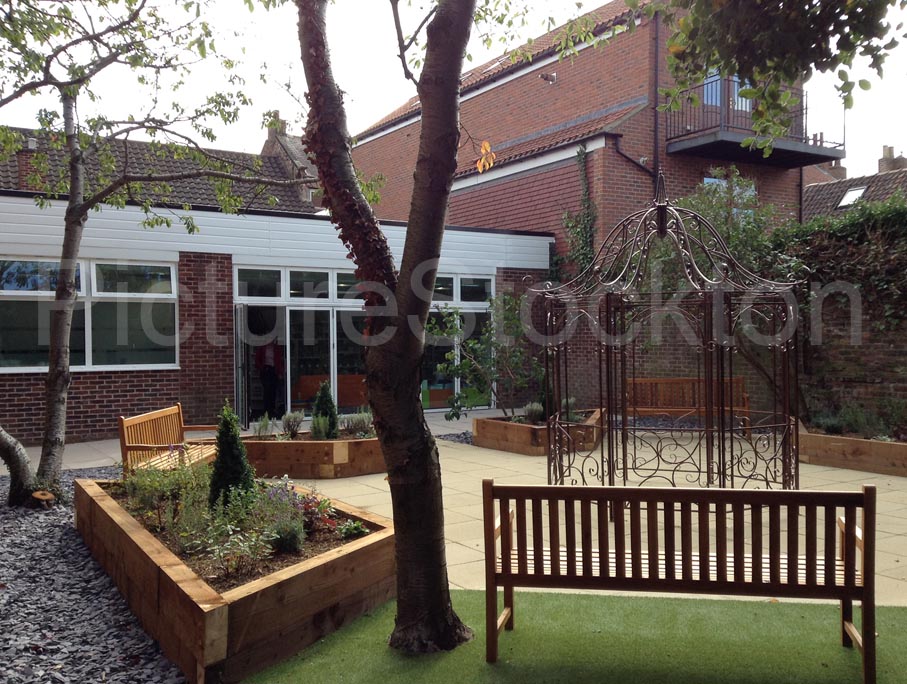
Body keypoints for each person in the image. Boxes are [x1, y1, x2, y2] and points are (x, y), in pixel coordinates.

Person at [255, 339, 284, 418]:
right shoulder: (262, 348)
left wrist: (280, 372)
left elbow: (279, 361)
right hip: (266, 370)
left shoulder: (276, 348)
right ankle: (266, 410)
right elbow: (257, 359)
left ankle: (272, 410)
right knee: (267, 390)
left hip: (273, 370)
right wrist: (261, 368)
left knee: (273, 390)